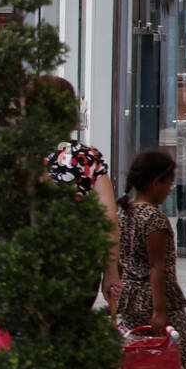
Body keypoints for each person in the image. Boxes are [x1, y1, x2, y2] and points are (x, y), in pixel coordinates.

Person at [116, 148, 186, 369]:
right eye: (169, 183)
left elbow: (118, 259)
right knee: (180, 361)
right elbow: (157, 266)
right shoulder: (155, 220)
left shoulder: (125, 213)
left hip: (131, 298)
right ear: (156, 181)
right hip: (158, 301)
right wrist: (160, 310)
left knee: (139, 362)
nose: (170, 190)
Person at [40, 76, 121, 303]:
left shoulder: (23, 157)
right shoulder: (88, 158)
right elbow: (108, 219)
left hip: (31, 264)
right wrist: (111, 273)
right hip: (81, 267)